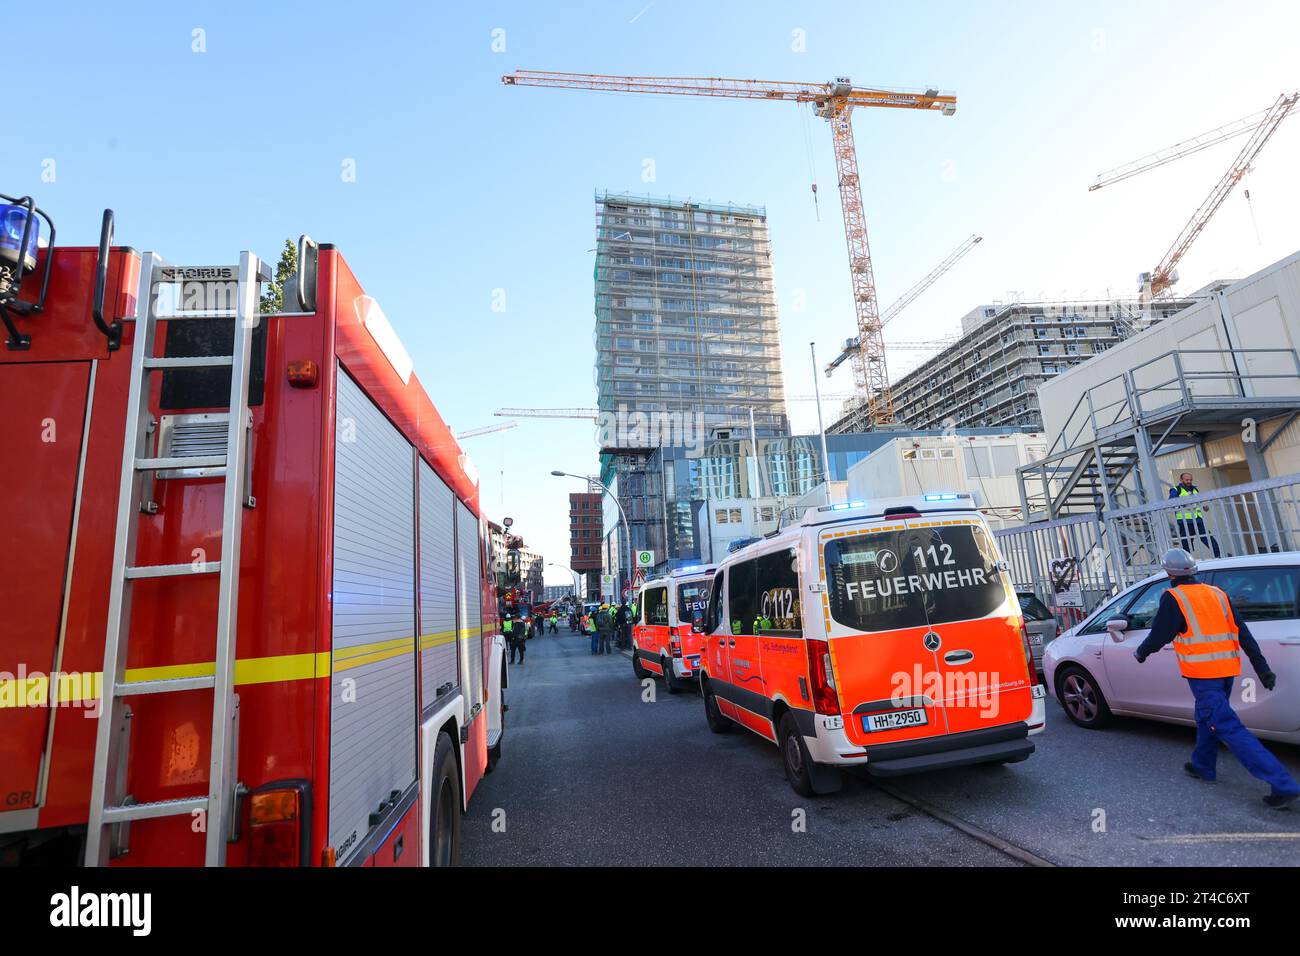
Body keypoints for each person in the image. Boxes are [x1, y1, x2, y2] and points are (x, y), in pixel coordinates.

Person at [1132, 548, 1298, 808]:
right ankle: (1203, 766)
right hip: (1226, 673)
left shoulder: (1173, 597)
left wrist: (1141, 652)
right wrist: (1262, 669)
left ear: (1168, 572)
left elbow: (1160, 634)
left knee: (1228, 726)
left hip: (1203, 675)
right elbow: (1243, 634)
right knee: (1206, 717)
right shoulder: (1218, 594)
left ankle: (1282, 784)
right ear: (1193, 570)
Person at [1169, 473, 1222, 559]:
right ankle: (1187, 559)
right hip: (1185, 520)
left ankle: (1218, 555)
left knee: (1207, 537)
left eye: (1190, 480)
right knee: (1186, 541)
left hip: (1198, 519)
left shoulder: (1195, 490)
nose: (1189, 481)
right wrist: (1185, 504)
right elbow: (1172, 502)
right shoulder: (1176, 489)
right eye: (1187, 480)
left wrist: (1203, 506)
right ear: (1181, 480)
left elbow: (1197, 503)